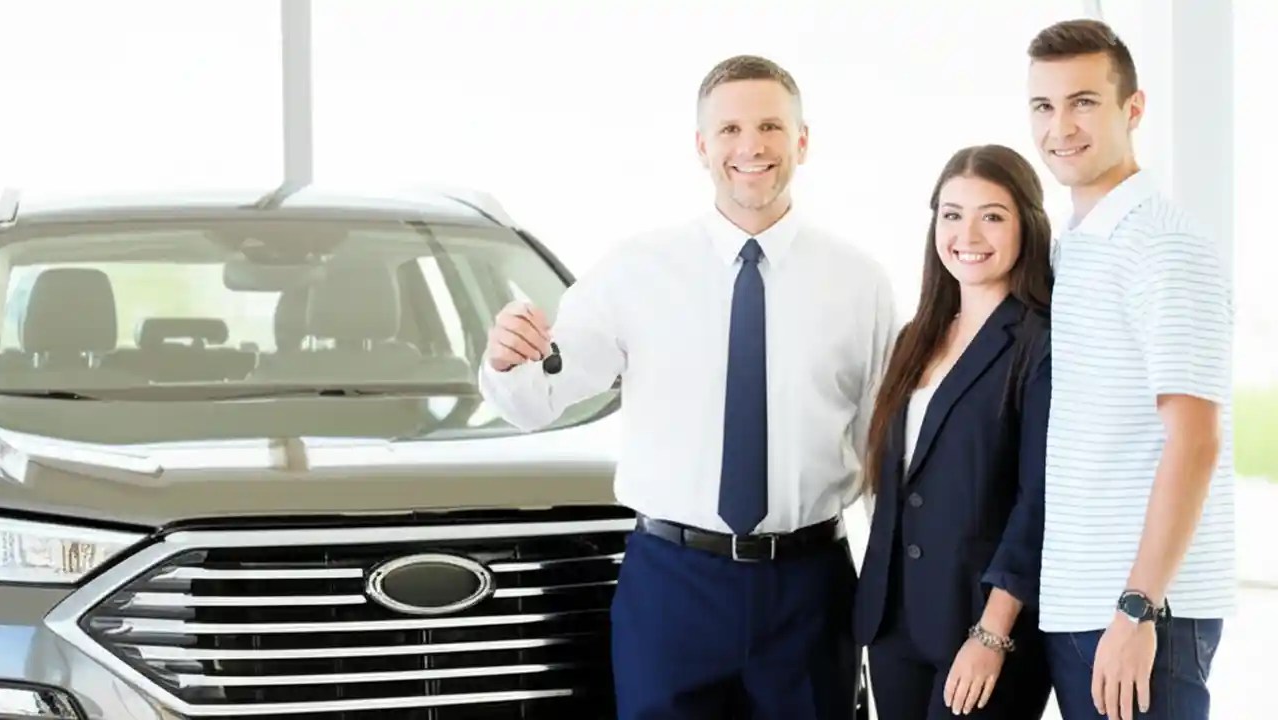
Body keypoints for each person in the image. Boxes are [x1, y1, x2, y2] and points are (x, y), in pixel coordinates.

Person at [478, 54, 895, 719]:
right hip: (672, 585)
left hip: (810, 587)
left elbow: (883, 454)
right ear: (702, 147)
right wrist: (506, 361)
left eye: (770, 127)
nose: (750, 147)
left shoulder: (860, 283)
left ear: (803, 141)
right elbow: (538, 401)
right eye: (729, 130)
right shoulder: (634, 272)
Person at [1025, 19, 1235, 720]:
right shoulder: (1079, 245)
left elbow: (1195, 439)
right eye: (1044, 106)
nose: (1061, 127)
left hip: (1143, 612)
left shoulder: (1162, 242)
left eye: (1083, 102)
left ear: (1132, 110)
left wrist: (1137, 607)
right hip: (1083, 602)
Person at [852, 144, 1054, 719]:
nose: (968, 233)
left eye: (992, 215)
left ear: (1027, 226)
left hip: (983, 628)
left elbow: (1038, 502)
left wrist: (992, 635)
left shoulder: (1039, 342)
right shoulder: (916, 337)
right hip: (897, 621)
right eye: (951, 214)